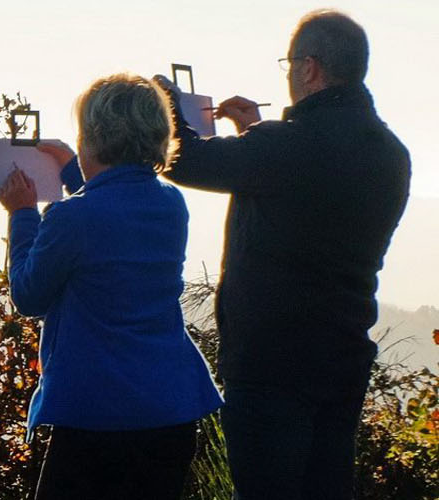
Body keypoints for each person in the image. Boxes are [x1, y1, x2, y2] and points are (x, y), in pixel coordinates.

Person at [152, 10, 411, 499]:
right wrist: (254, 134)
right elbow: (303, 191)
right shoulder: (390, 153)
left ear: (310, 67)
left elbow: (185, 160)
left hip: (272, 363)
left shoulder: (285, 147)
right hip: (342, 354)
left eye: (290, 64)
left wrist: (168, 100)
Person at [0, 74, 223, 500]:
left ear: (93, 139)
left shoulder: (71, 218)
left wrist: (23, 213)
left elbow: (29, 295)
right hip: (168, 411)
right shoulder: (169, 203)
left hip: (97, 417)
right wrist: (70, 170)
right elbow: (115, 214)